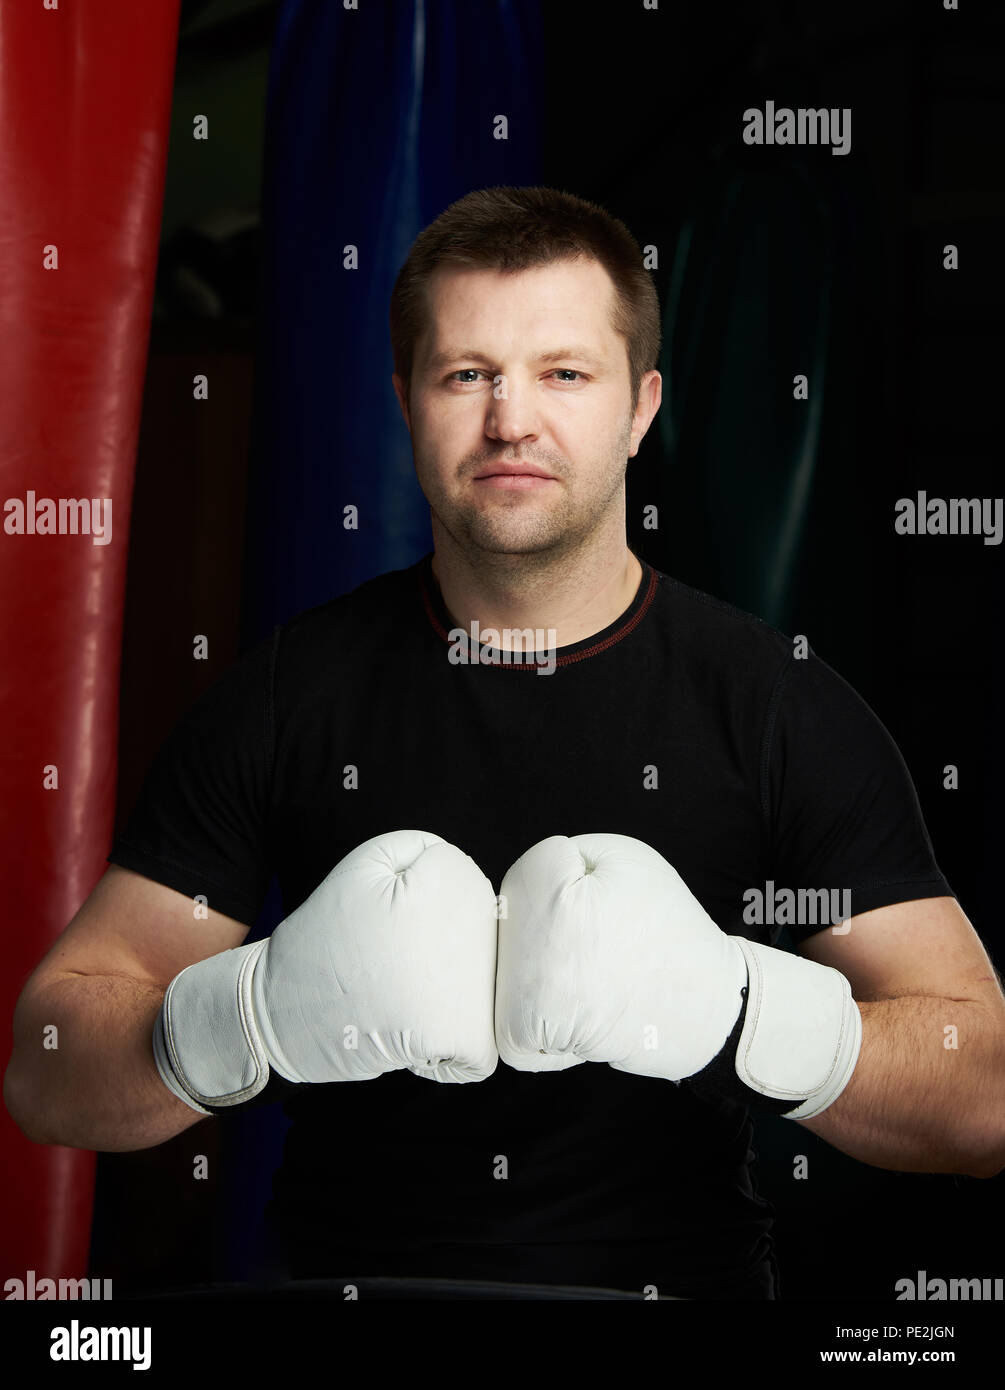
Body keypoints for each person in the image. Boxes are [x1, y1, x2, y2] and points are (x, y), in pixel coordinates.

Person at [7, 187, 1004, 1302]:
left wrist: (739, 1012)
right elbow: (47, 1068)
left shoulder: (776, 705)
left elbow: (984, 1097)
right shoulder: (292, 695)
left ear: (642, 407)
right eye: (466, 373)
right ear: (406, 403)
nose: (510, 420)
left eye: (564, 373)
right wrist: (247, 1015)